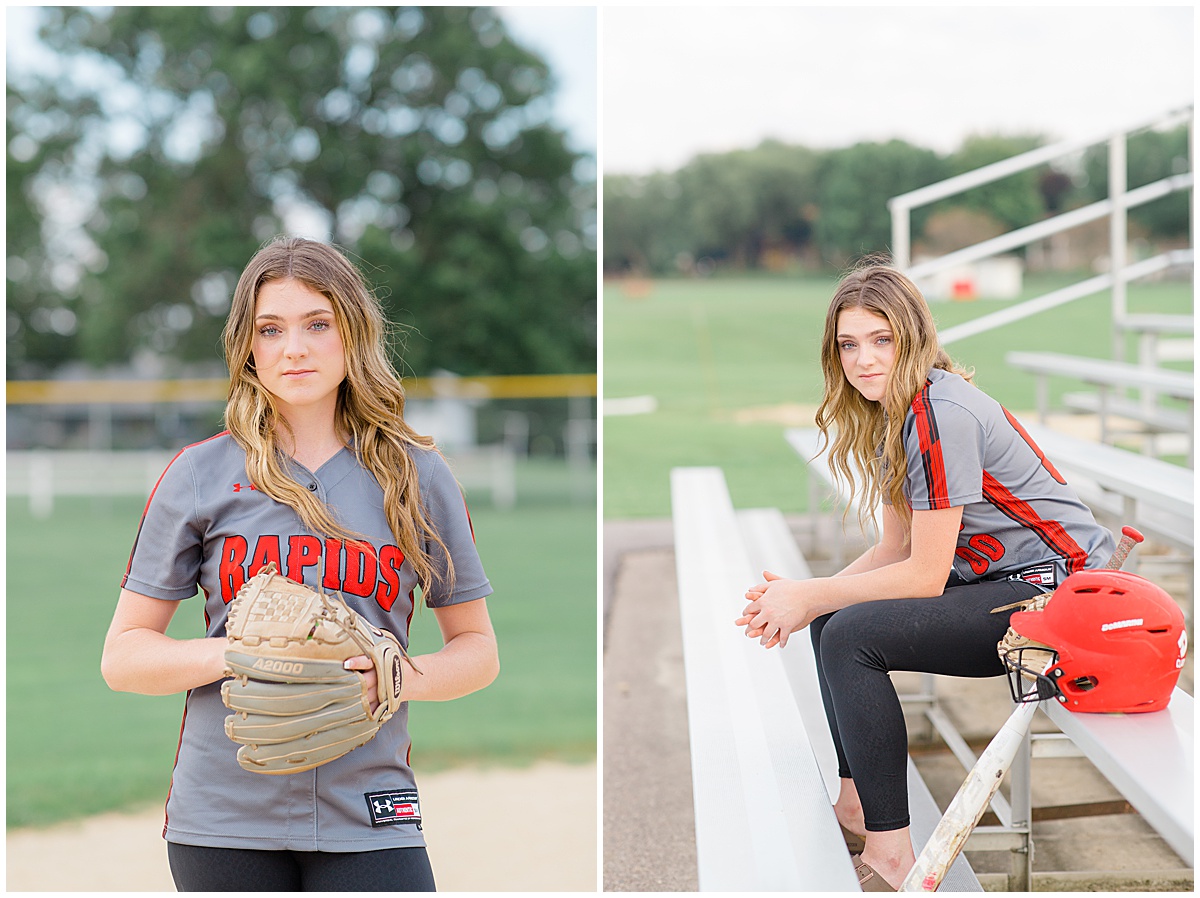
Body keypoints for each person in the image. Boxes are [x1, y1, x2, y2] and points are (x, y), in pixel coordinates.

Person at [101, 236, 498, 892]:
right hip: (224, 819)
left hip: (371, 810)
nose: (295, 347)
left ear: (352, 330)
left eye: (318, 323)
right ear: (248, 346)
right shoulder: (201, 474)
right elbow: (123, 657)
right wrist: (238, 655)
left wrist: (401, 677)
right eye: (271, 328)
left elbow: (479, 650)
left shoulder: (417, 475)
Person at [735, 262, 1115, 891]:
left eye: (881, 340)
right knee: (833, 618)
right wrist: (807, 599)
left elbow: (925, 573)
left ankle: (890, 848)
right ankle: (858, 803)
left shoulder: (940, 412)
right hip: (1009, 581)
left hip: (1066, 595)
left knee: (849, 635)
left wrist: (809, 594)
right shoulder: (895, 411)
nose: (863, 360)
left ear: (913, 337)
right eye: (849, 344)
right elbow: (896, 548)